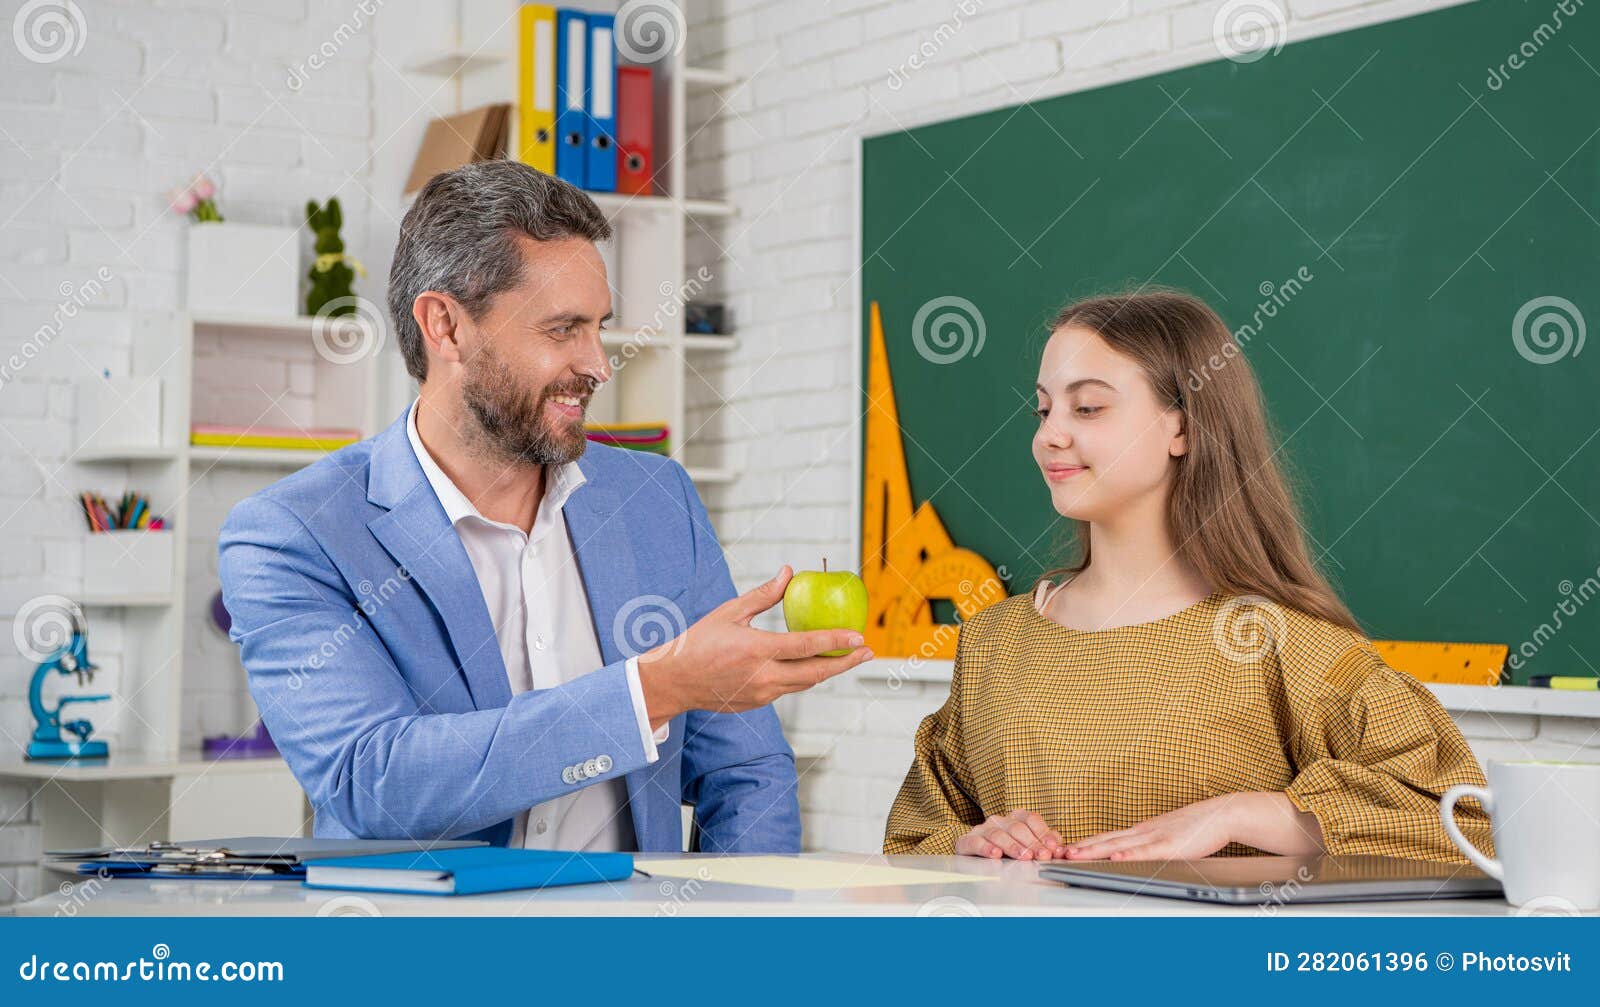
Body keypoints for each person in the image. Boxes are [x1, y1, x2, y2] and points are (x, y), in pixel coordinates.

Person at [220, 160, 872, 853]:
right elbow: (374, 777)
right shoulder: (295, 535)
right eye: (563, 329)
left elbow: (746, 772)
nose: (597, 363)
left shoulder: (656, 501)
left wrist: (722, 946)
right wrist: (647, 691)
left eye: (599, 326)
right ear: (445, 327)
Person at [883, 289, 1493, 864]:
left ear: (1183, 427)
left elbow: (1460, 821)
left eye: (1088, 407)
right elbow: (912, 837)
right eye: (1044, 409)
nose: (1049, 435)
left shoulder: (1278, 641)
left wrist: (1243, 816)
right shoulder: (995, 641)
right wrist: (971, 843)